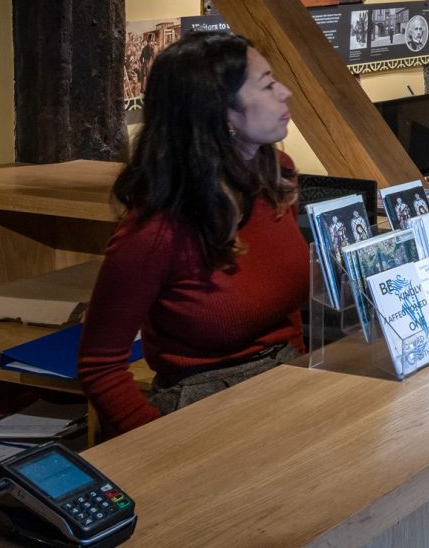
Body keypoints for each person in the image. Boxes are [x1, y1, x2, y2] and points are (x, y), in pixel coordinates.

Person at [77, 32, 308, 437]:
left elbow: (284, 306)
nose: (285, 92)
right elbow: (100, 366)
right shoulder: (157, 230)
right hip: (205, 405)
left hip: (286, 382)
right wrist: (157, 443)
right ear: (223, 114)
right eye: (268, 84)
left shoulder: (277, 175)